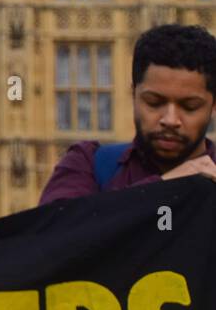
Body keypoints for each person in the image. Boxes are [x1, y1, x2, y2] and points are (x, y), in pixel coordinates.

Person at [40, 23, 216, 204]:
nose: (170, 120)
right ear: (133, 94)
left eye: (189, 107)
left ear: (214, 105)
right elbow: (55, 229)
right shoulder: (89, 166)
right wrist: (163, 187)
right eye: (154, 103)